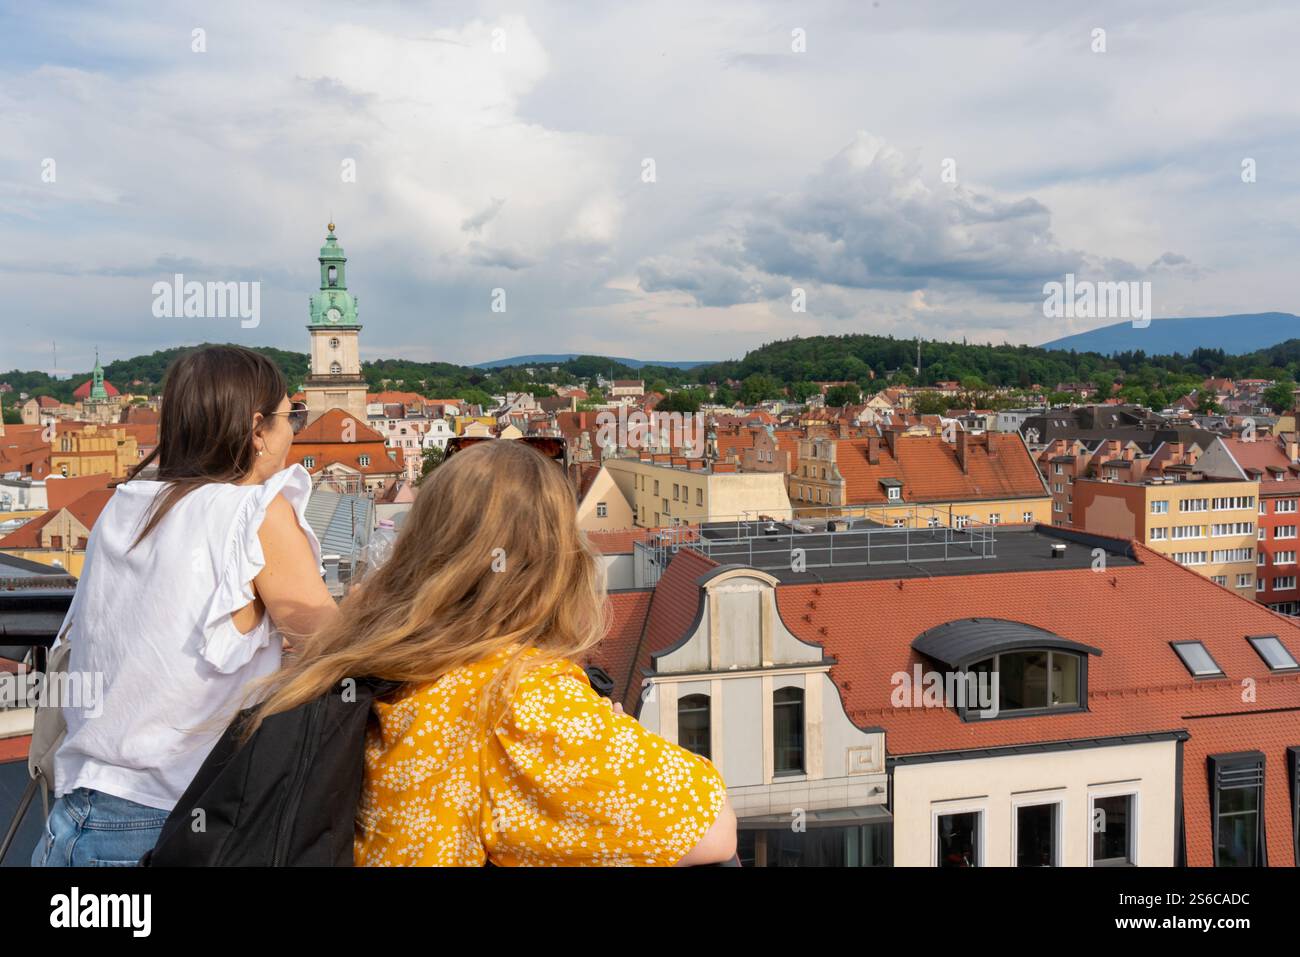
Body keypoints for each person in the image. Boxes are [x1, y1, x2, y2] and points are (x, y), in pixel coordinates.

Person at [246, 439, 737, 866]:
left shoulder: (373, 653)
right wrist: (594, 728)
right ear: (556, 562)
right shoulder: (514, 694)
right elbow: (712, 831)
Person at [32, 345, 338, 866]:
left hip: (70, 823)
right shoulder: (256, 512)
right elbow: (336, 646)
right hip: (162, 829)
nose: (295, 432)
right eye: (292, 415)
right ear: (257, 429)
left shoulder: (126, 503)